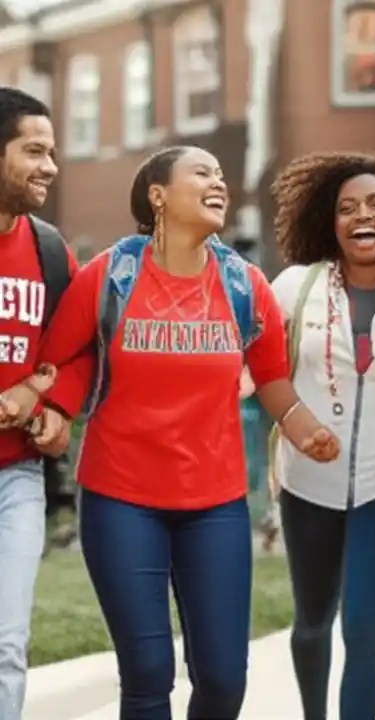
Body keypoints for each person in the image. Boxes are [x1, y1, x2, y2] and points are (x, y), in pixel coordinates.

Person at [33, 146, 340, 719]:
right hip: (121, 497)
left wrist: (304, 429)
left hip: (214, 503)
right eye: (202, 172)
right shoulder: (112, 275)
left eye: (221, 172)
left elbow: (271, 376)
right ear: (158, 196)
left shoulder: (244, 283)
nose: (218, 180)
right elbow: (65, 356)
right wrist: (52, 407)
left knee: (224, 679)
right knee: (148, 674)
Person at [268, 151, 375, 719]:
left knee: (364, 623)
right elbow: (261, 367)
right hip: (307, 483)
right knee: (312, 622)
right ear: (330, 222)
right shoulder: (295, 286)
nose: (361, 216)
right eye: (346, 208)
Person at [0, 86, 94, 718]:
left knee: (7, 643)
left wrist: (54, 405)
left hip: (18, 476)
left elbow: (78, 345)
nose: (50, 167)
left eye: (53, 152)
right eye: (34, 151)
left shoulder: (52, 250)